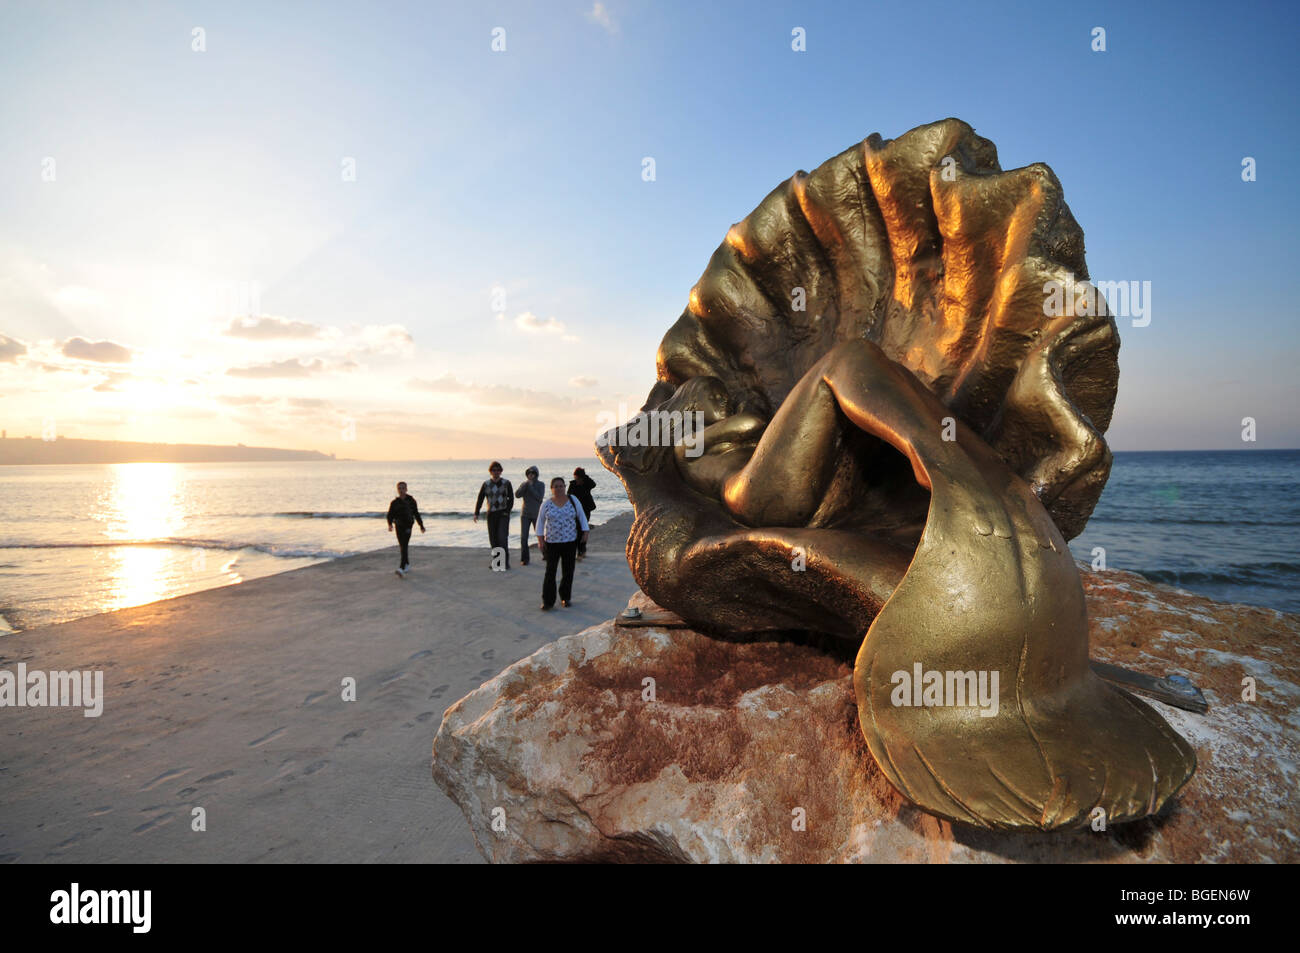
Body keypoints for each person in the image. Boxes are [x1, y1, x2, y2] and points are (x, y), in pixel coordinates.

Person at [535, 476, 589, 610]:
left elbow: (581, 516)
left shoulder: (573, 500)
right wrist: (540, 540)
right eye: (556, 486)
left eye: (561, 486)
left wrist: (585, 532)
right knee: (550, 572)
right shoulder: (546, 504)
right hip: (552, 542)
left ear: (565, 487)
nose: (559, 488)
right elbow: (540, 523)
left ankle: (565, 597)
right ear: (552, 489)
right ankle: (548, 601)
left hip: (570, 541)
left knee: (568, 571)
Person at [473, 460, 515, 569]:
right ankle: (497, 562)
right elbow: (480, 498)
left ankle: (505, 563)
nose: (496, 472)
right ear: (490, 471)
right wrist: (476, 512)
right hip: (491, 514)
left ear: (501, 471)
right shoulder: (486, 484)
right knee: (493, 539)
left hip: (503, 514)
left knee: (502, 538)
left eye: (498, 470)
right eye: (493, 470)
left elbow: (511, 498)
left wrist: (507, 511)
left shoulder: (506, 483)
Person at [386, 481, 425, 577]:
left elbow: (416, 513)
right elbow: (390, 515)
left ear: (406, 489)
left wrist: (421, 525)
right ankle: (407, 565)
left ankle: (401, 567)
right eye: (399, 488)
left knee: (404, 545)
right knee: (402, 546)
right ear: (397, 490)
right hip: (398, 526)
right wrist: (390, 524)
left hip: (408, 526)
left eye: (403, 488)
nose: (401, 490)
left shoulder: (411, 501)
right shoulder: (394, 502)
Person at [515, 465, 545, 566]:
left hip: (536, 514)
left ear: (536, 475)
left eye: (533, 473)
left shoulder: (541, 484)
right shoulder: (524, 484)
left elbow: (539, 498)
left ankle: (546, 554)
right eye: (529, 473)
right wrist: (524, 486)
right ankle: (525, 559)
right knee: (524, 537)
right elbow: (517, 495)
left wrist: (531, 487)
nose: (531, 475)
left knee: (540, 535)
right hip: (525, 514)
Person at [567, 466, 597, 558]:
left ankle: (582, 550)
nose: (576, 480)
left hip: (586, 510)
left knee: (583, 530)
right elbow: (568, 496)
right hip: (575, 511)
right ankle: (577, 550)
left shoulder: (587, 483)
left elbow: (593, 484)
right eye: (575, 477)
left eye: (578, 478)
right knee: (576, 530)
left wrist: (585, 477)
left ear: (582, 478)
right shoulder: (573, 484)